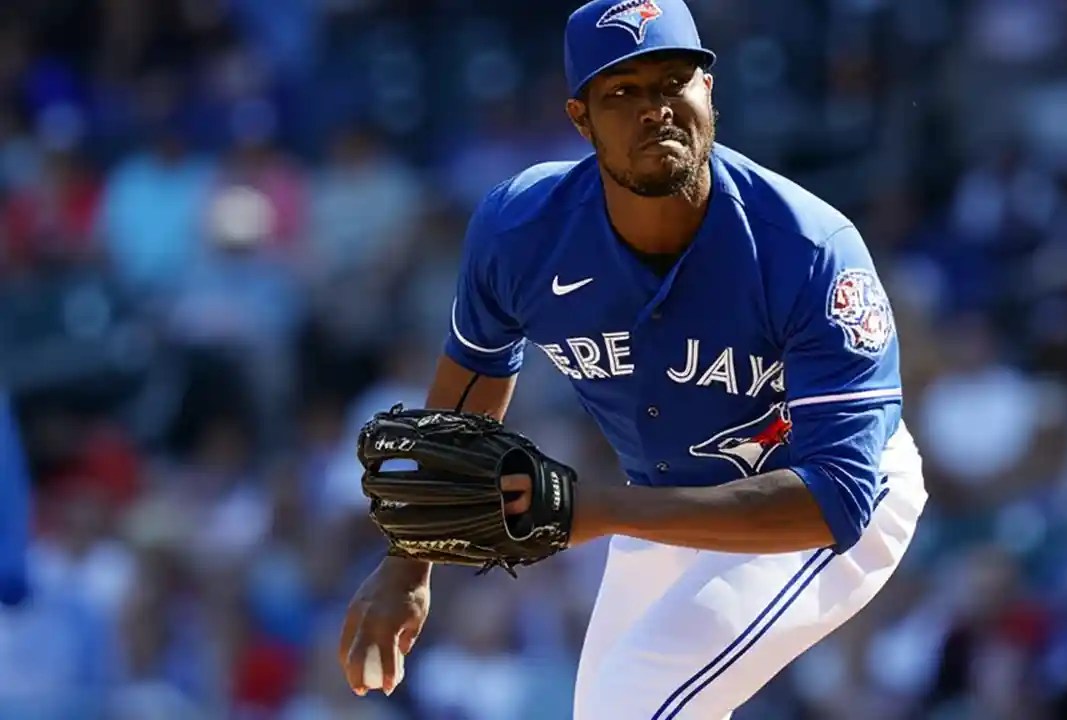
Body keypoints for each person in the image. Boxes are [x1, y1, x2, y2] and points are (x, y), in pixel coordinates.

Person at [338, 0, 928, 716]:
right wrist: (409, 564)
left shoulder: (807, 248)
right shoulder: (521, 230)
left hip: (822, 504)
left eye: (674, 79)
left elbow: (836, 499)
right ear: (580, 118)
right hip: (667, 502)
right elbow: (471, 387)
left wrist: (603, 508)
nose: (655, 108)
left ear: (709, 91)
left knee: (635, 699)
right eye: (622, 91)